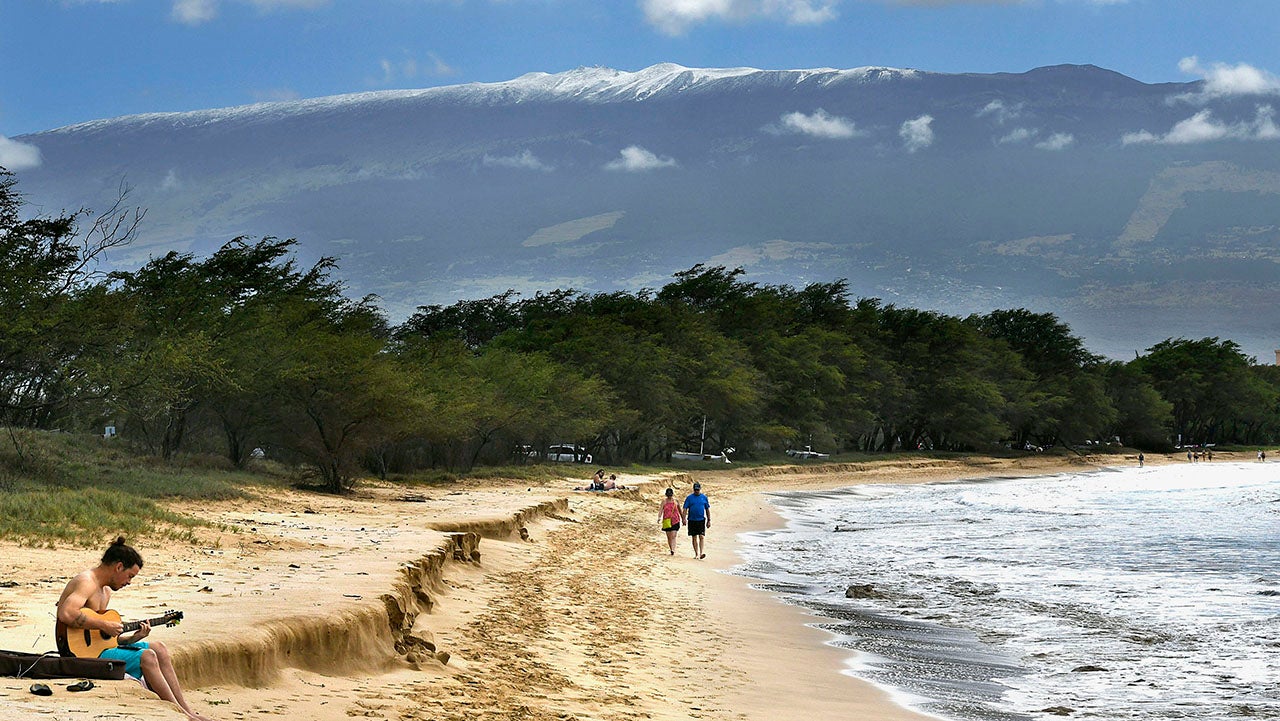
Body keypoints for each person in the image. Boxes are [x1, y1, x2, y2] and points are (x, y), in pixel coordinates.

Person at [56, 537, 214, 721]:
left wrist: (133, 638)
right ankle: (181, 714)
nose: (129, 582)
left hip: (98, 652)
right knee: (148, 656)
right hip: (79, 656)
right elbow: (66, 613)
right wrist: (104, 624)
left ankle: (187, 710)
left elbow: (104, 641)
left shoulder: (105, 591)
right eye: (130, 576)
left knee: (159, 648)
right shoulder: (87, 581)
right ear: (118, 567)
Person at [681, 482, 711, 559]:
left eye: (697, 490)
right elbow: (685, 508)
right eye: (695, 490)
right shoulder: (689, 498)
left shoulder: (704, 497)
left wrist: (709, 520)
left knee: (701, 536)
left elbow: (707, 509)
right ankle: (696, 553)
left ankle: (701, 553)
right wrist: (683, 518)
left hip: (701, 520)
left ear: (700, 489)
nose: (696, 491)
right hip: (692, 520)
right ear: (693, 489)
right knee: (694, 537)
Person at [659, 488, 682, 555]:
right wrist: (659, 517)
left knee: (673, 536)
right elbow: (661, 510)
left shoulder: (676, 501)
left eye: (670, 495)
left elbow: (680, 510)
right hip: (667, 521)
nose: (669, 496)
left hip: (675, 520)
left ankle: (673, 549)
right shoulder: (664, 502)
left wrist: (683, 518)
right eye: (668, 495)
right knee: (669, 537)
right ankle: (671, 548)